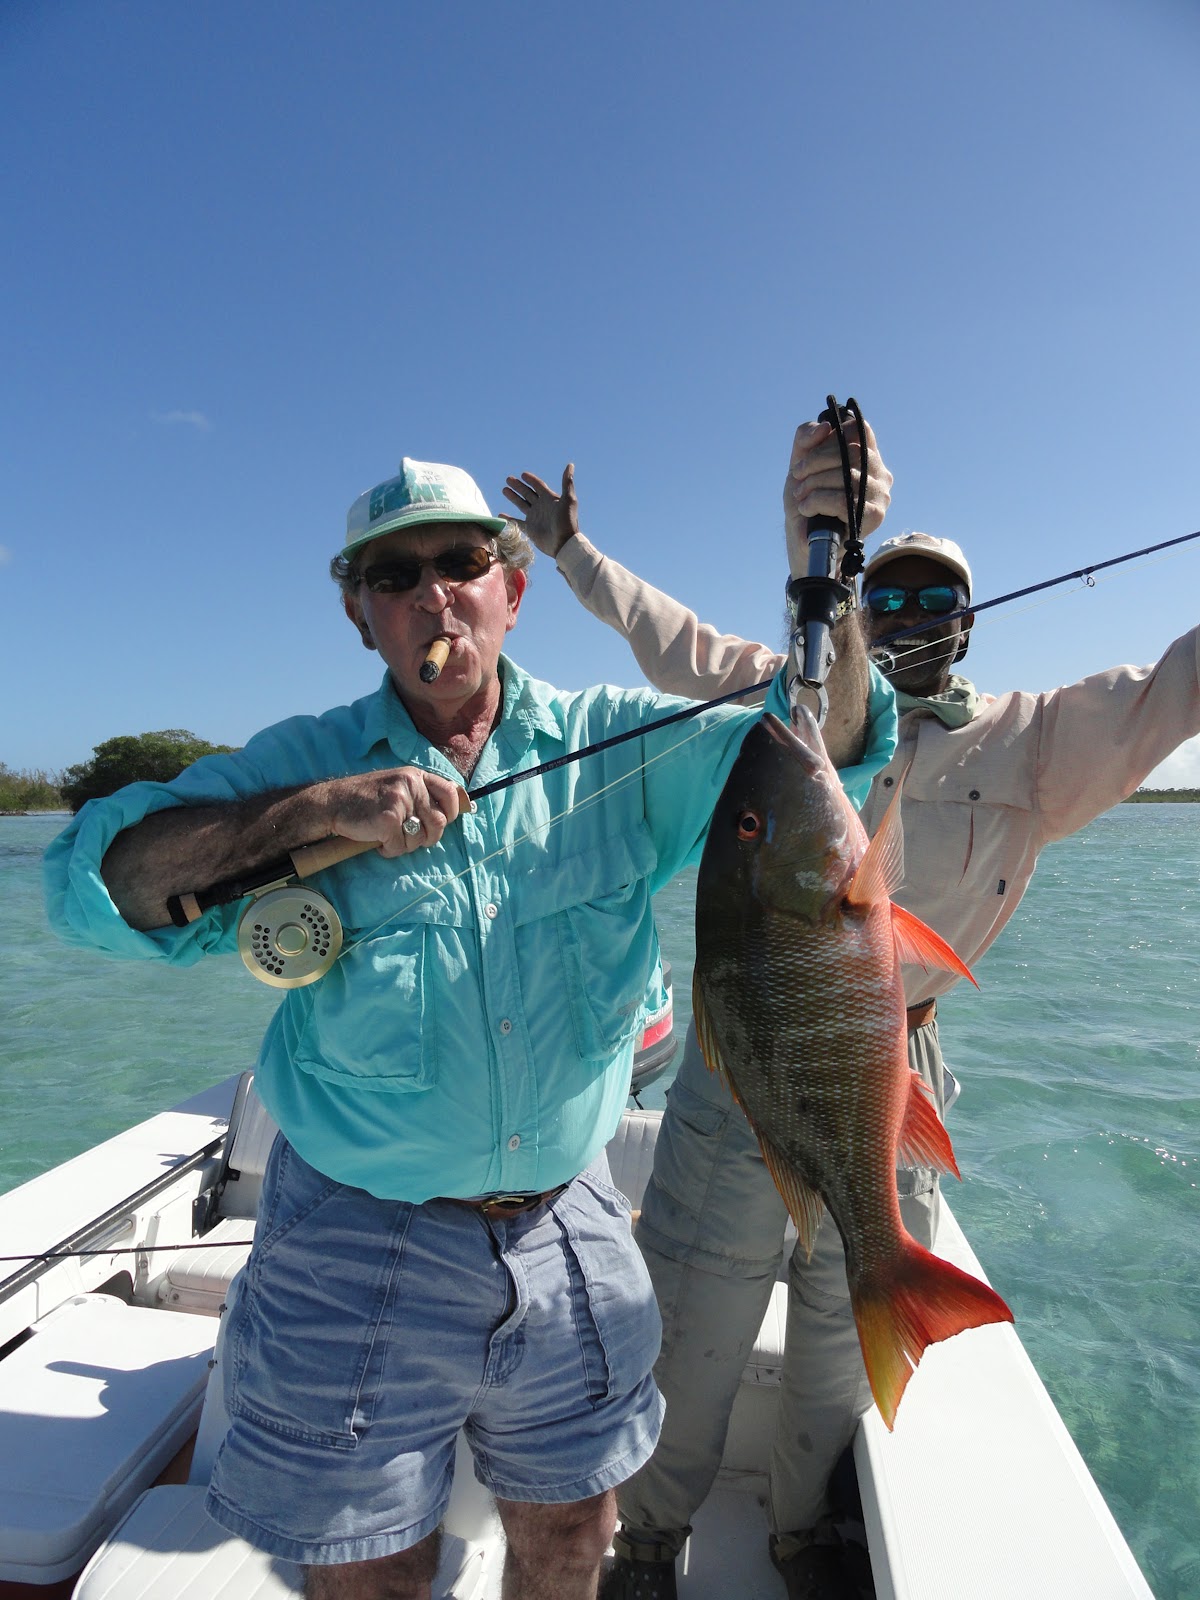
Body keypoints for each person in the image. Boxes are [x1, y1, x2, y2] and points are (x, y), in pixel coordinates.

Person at [43, 446, 896, 1600]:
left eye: (459, 560)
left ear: (513, 588)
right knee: (370, 1566)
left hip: (569, 1216)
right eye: (394, 577)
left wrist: (829, 587)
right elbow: (98, 885)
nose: (432, 592)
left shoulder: (625, 742)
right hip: (352, 1231)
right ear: (360, 616)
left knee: (575, 1531)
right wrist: (316, 811)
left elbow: (827, 749)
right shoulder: (302, 762)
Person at [510, 456, 1200, 1600]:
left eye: (940, 601)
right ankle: (648, 1544)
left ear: (972, 622)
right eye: (893, 596)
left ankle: (803, 1531)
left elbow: (1176, 685)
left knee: (845, 1324)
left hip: (889, 1054)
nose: (915, 617)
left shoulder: (1038, 741)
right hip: (749, 1047)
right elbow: (664, 634)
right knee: (693, 1304)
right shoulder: (788, 693)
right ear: (861, 609)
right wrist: (575, 554)